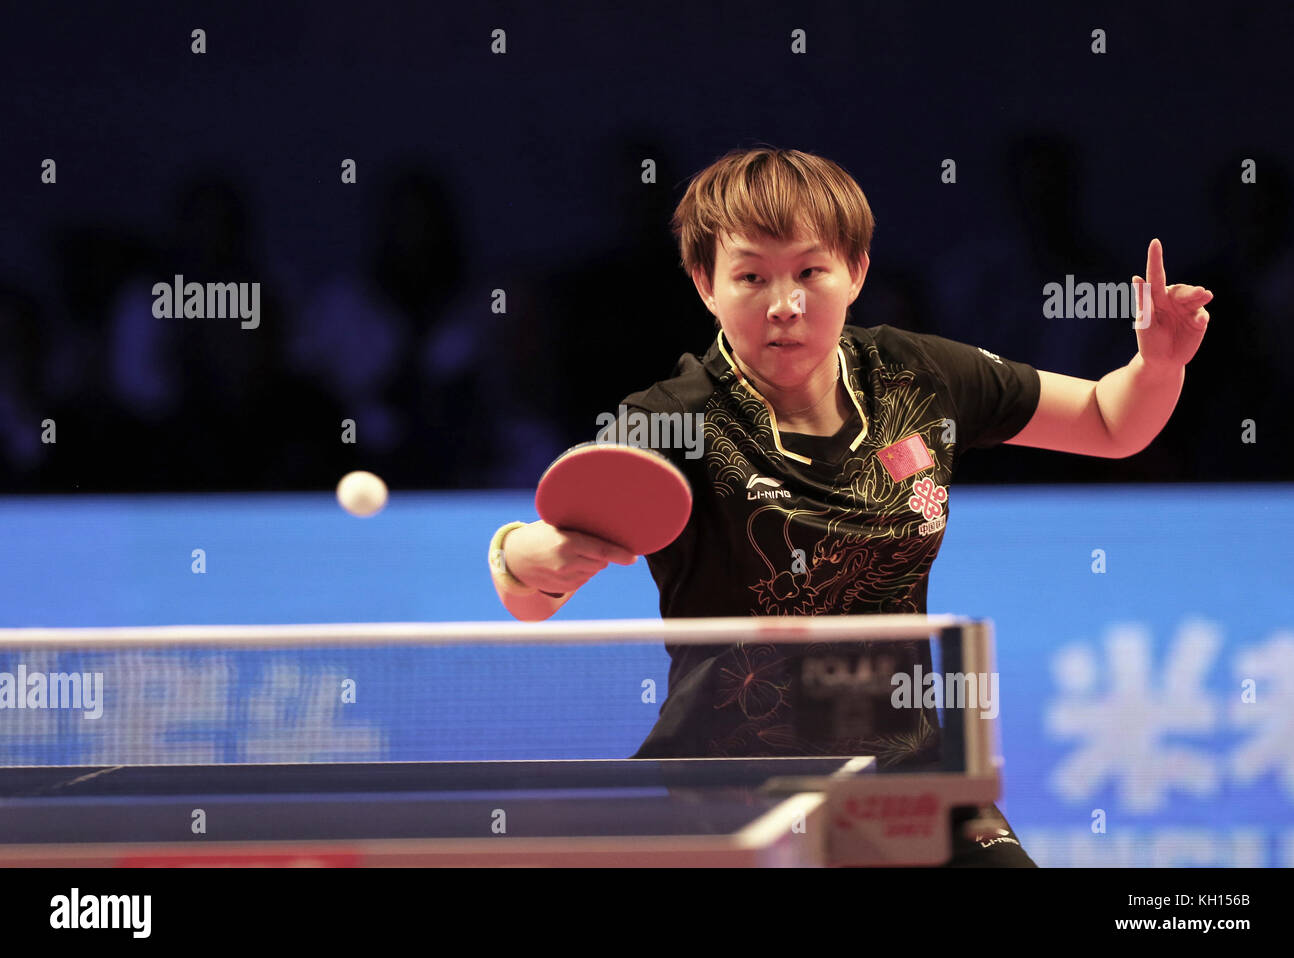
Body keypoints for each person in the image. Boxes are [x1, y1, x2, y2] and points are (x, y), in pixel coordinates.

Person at [486, 147, 1214, 866]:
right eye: (750, 277)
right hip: (728, 794)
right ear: (704, 283)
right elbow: (534, 585)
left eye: (810, 270)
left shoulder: (917, 377)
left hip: (904, 775)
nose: (785, 304)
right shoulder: (674, 420)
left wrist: (1157, 366)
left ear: (856, 272)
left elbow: (1108, 422)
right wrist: (528, 555)